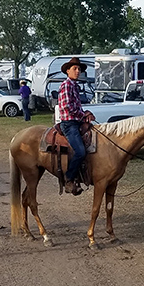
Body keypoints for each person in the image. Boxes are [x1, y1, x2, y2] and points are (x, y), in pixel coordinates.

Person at [57, 56, 93, 195]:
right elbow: (67, 107)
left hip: (76, 121)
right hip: (69, 124)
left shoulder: (74, 86)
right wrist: (83, 115)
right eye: (75, 69)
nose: (78, 71)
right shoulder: (66, 85)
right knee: (80, 151)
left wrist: (85, 113)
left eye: (79, 69)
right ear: (67, 71)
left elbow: (75, 106)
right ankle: (69, 179)